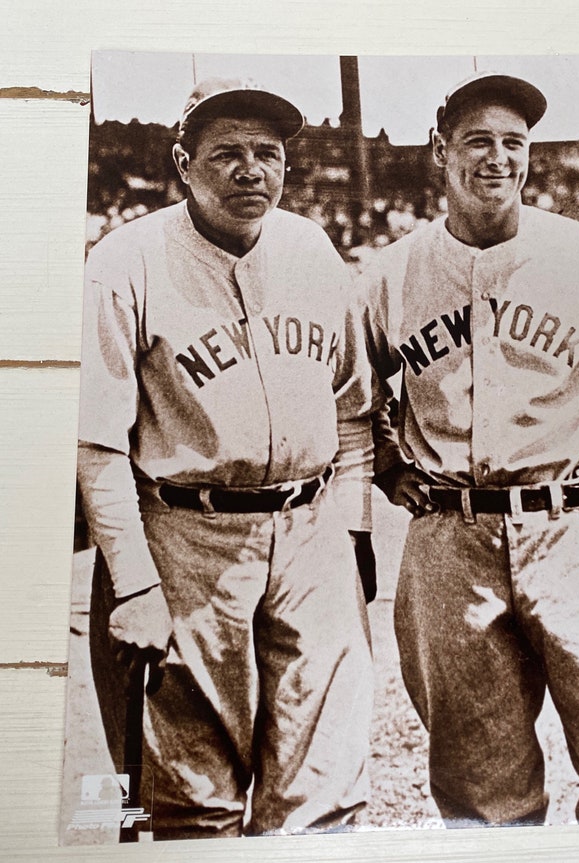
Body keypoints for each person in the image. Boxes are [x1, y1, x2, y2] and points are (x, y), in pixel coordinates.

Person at [361, 72, 579, 825]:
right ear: (439, 151)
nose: (497, 158)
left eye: (513, 143)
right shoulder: (390, 274)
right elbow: (346, 391)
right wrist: (387, 461)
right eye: (478, 140)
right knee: (480, 799)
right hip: (451, 542)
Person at [77, 77, 378, 839]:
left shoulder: (311, 247)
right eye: (228, 154)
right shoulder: (125, 263)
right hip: (186, 537)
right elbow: (97, 444)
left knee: (322, 790)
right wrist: (136, 583)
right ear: (183, 163)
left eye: (268, 153)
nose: (252, 170)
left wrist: (353, 524)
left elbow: (352, 410)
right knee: (192, 797)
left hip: (309, 531)